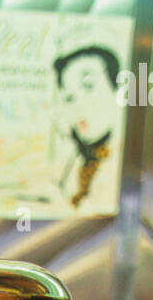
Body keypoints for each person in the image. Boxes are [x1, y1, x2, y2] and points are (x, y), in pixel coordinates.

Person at [52, 45, 121, 210]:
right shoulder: (72, 158)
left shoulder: (130, 158)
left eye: (88, 86)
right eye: (70, 97)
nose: (77, 105)